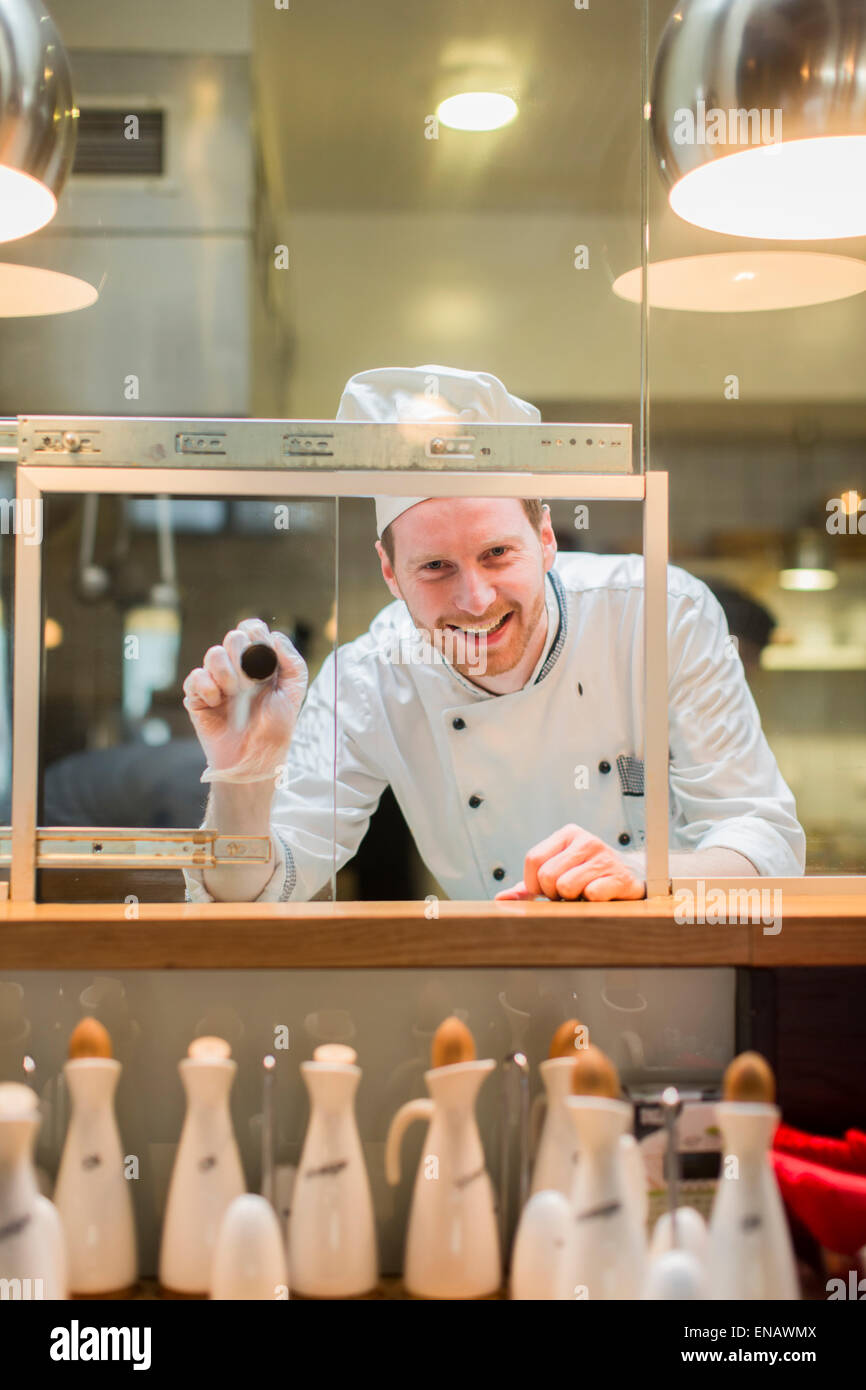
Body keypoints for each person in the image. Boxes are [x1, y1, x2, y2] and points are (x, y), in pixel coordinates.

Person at [181, 365, 805, 905]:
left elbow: (765, 841)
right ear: (389, 573)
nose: (474, 599)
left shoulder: (660, 614)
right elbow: (264, 889)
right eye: (435, 567)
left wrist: (640, 872)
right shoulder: (369, 679)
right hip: (503, 975)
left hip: (679, 967)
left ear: (546, 539)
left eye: (497, 553)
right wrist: (244, 777)